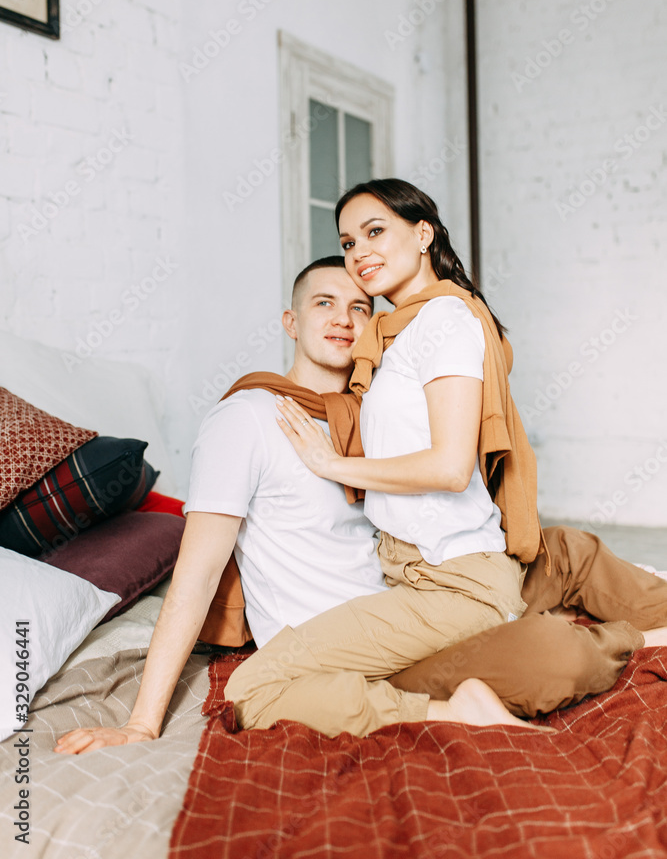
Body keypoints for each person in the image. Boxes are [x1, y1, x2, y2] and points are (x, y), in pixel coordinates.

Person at [223, 179, 667, 737]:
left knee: (251, 688)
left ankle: (447, 710)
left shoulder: (443, 322)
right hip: (432, 573)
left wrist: (331, 464)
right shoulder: (395, 336)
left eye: (375, 231)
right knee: (567, 561)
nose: (359, 252)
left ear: (423, 233)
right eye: (348, 242)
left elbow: (451, 467)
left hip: (445, 580)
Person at [55, 256, 534, 756]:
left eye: (360, 308)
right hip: (317, 641)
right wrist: (141, 724)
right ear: (292, 321)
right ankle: (445, 711)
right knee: (253, 693)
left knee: (561, 645)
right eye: (323, 303)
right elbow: (195, 577)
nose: (343, 319)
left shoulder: (376, 416)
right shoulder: (247, 418)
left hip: (402, 620)